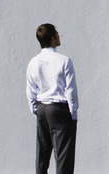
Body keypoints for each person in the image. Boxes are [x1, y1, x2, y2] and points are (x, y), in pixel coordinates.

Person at [26, 23, 79, 174]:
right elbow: (70, 90)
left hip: (42, 108)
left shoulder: (33, 62)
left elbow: (31, 91)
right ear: (52, 39)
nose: (59, 35)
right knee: (63, 157)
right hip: (60, 109)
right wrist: (73, 113)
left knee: (42, 156)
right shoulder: (64, 61)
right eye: (56, 33)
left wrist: (36, 110)